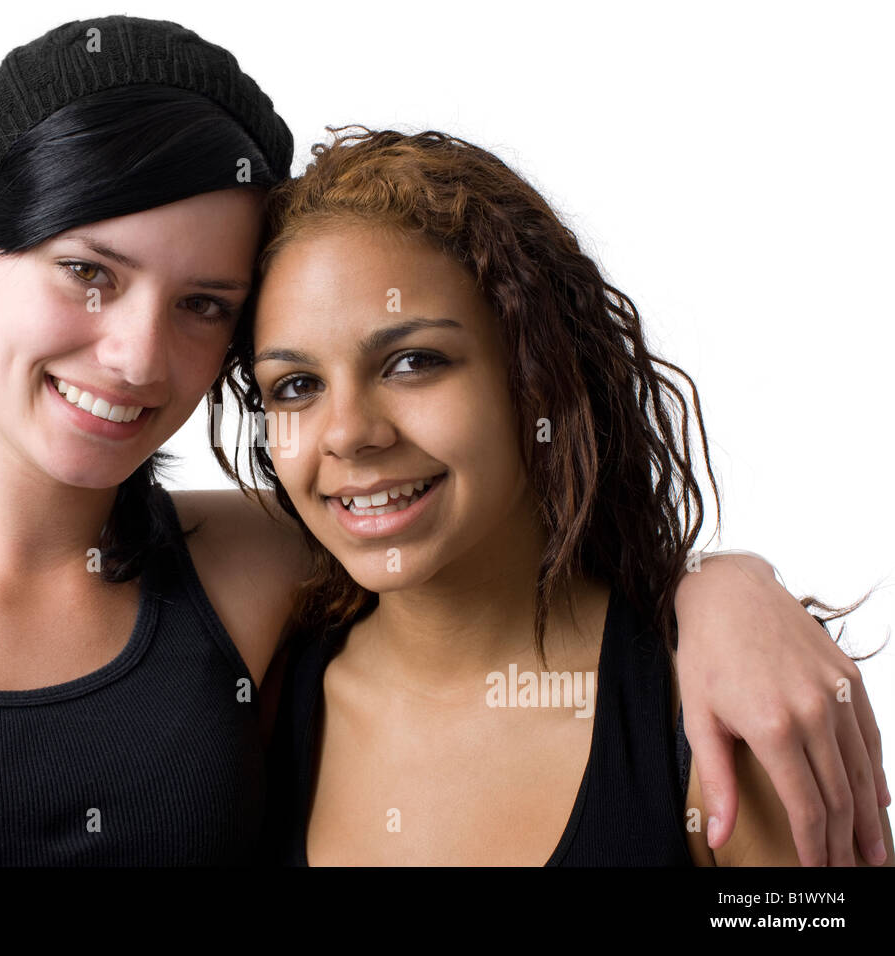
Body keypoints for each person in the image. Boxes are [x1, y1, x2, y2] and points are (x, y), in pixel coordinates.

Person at [0, 17, 889, 866]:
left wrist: (728, 587)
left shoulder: (249, 571)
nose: (132, 355)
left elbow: (480, 547)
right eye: (87, 271)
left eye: (203, 309)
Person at [236, 126, 894, 865]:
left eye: (413, 361)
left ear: (538, 371)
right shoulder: (258, 693)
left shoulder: (719, 727)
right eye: (296, 386)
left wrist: (724, 578)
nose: (348, 433)